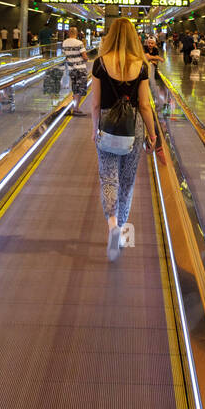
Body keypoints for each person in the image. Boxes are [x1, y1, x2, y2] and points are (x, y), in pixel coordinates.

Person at [89, 17, 157, 262]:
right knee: (127, 181)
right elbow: (146, 105)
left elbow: (95, 104)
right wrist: (152, 135)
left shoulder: (99, 63)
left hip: (107, 124)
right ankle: (123, 224)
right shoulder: (141, 65)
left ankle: (112, 224)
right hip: (133, 125)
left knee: (108, 177)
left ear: (110, 36)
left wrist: (94, 129)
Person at [62, 26, 90, 116]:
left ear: (68, 33)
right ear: (77, 33)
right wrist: (86, 59)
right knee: (80, 89)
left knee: (74, 88)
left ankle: (75, 107)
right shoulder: (79, 43)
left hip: (71, 69)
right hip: (80, 69)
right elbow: (84, 57)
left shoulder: (64, 42)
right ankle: (76, 109)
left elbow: (64, 55)